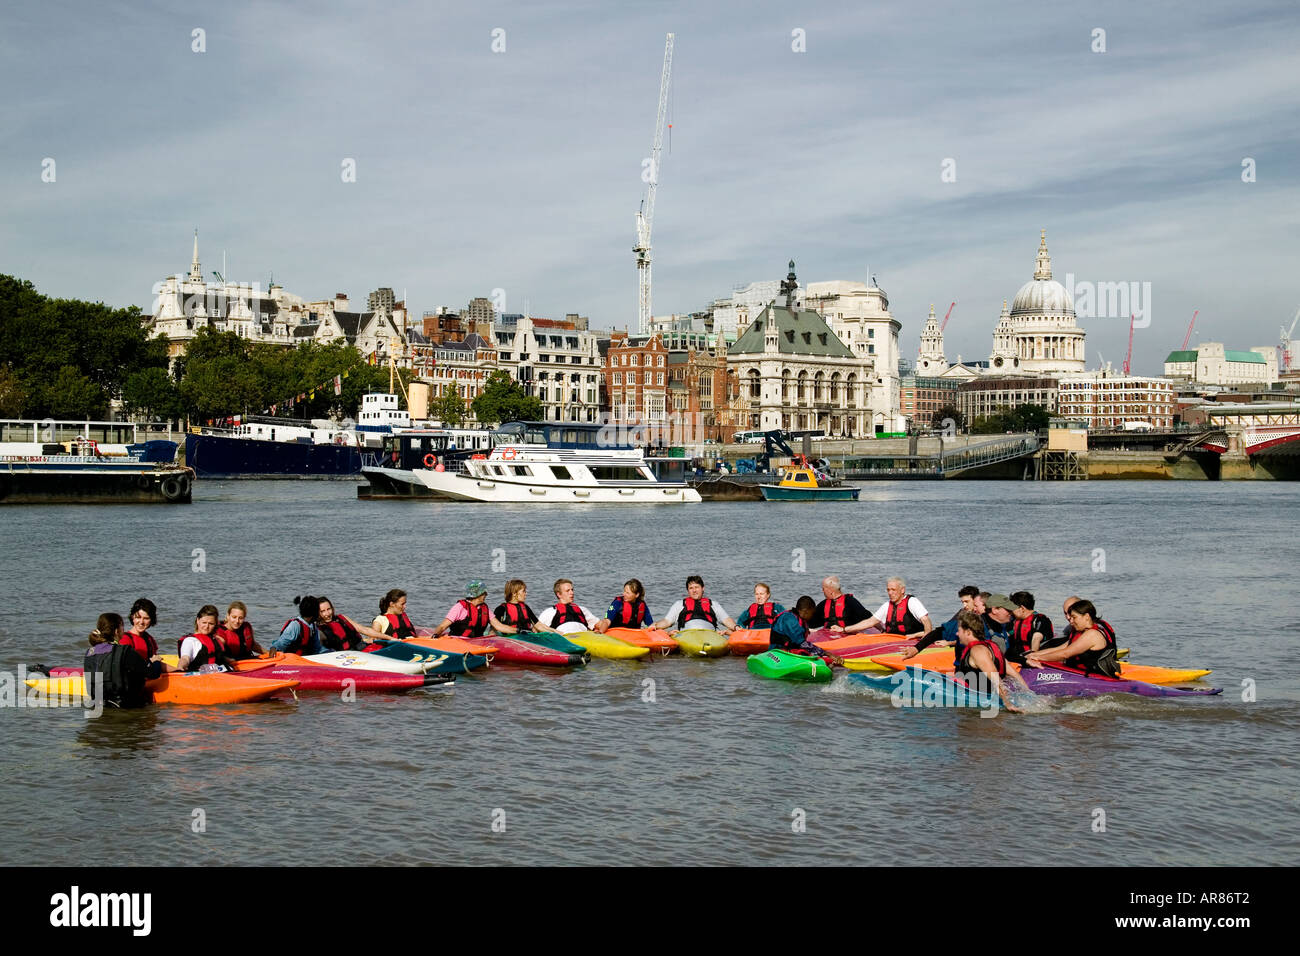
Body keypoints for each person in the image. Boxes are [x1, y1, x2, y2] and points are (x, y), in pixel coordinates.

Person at [948, 609, 1022, 712]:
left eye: (959, 630)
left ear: (968, 632)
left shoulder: (977, 651)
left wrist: (1007, 704)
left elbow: (995, 677)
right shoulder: (990, 648)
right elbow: (1016, 675)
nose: (956, 634)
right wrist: (1030, 696)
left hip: (983, 712)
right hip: (989, 709)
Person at [1025, 599, 1119, 677]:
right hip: (1079, 673)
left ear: (1086, 616)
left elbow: (1065, 654)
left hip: (1094, 678)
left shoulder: (1092, 634)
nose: (1071, 621)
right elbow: (1060, 649)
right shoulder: (1081, 632)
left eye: (1074, 617)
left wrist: (1037, 658)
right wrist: (1032, 655)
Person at [84, 613, 149, 708]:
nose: (124, 629)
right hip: (124, 706)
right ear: (116, 631)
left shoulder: (89, 653)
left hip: (97, 706)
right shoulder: (125, 651)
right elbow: (150, 672)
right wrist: (156, 662)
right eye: (122, 626)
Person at [855, 577, 934, 641]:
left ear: (902, 590)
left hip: (913, 640)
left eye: (893, 590)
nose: (890, 593)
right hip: (894, 641)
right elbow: (871, 622)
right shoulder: (887, 605)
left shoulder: (912, 602)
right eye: (888, 590)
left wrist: (922, 638)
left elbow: (926, 622)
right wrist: (845, 630)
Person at [769, 597, 843, 664]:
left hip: (790, 652)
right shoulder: (790, 619)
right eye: (812, 613)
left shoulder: (798, 619)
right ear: (806, 611)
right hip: (777, 652)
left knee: (820, 659)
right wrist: (827, 653)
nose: (813, 616)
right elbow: (802, 643)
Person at [654, 575, 738, 633]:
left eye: (697, 587)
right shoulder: (679, 604)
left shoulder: (713, 604)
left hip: (710, 634)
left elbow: (726, 620)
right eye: (691, 588)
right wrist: (655, 626)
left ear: (703, 588)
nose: (694, 590)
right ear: (688, 591)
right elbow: (667, 621)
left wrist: (736, 627)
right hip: (686, 634)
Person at [430, 580, 511, 638]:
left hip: (476, 641)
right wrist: (434, 636)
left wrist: (518, 630)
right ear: (477, 594)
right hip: (458, 640)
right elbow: (443, 626)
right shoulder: (459, 607)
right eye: (484, 593)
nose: (486, 594)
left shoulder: (484, 608)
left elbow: (499, 626)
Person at [1005, 591, 1060, 664]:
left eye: (1012, 609)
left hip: (1032, 657)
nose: (1010, 612)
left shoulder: (1040, 620)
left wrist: (1032, 656)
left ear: (1022, 608)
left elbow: (1036, 638)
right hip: (1015, 658)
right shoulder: (1013, 621)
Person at [317, 596, 389, 652]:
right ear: (317, 613)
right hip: (345, 656)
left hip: (361, 647)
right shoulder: (318, 630)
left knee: (386, 646)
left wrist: (390, 638)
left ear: (332, 608)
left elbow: (364, 630)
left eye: (329, 609)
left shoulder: (342, 618)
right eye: (323, 611)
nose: (327, 614)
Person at [177, 604, 235, 671]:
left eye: (211, 624)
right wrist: (181, 666)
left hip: (222, 674)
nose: (206, 626)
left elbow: (219, 657)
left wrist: (232, 661)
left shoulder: (217, 639)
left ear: (215, 624)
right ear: (198, 620)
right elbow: (185, 658)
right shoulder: (190, 641)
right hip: (200, 677)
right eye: (204, 622)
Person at [492, 579, 562, 635]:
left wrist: (555, 632)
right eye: (524, 591)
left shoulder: (525, 607)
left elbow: (538, 625)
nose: (526, 593)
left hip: (527, 636)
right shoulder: (501, 609)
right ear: (514, 593)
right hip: (512, 638)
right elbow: (494, 629)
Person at [120, 597, 169, 676]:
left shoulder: (149, 639)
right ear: (132, 617)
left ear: (152, 620)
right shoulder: (125, 639)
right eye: (138, 617)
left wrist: (178, 669)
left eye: (146, 618)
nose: (141, 622)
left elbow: (155, 661)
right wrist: (152, 662)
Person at [808, 576, 873, 632]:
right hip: (828, 636)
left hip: (848, 635)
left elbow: (868, 619)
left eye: (823, 588)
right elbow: (811, 622)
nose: (822, 591)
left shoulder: (850, 602)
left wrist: (881, 629)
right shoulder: (823, 605)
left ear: (830, 590)